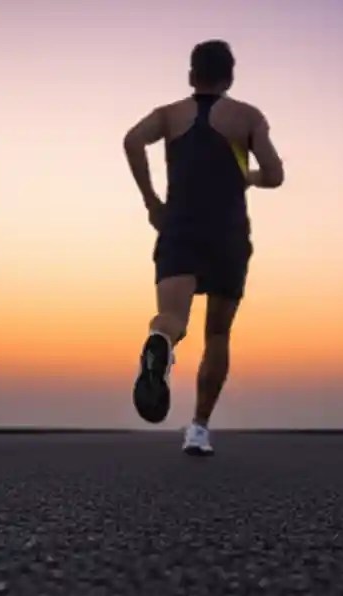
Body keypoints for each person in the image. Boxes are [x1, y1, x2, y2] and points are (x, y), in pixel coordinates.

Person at [122, 39, 285, 456]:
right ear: (229, 78)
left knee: (172, 317)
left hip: (180, 227)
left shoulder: (169, 115)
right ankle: (198, 428)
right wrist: (247, 177)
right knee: (217, 333)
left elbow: (132, 141)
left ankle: (160, 340)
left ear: (192, 75)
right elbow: (275, 174)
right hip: (227, 234)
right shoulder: (246, 117)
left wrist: (152, 203)